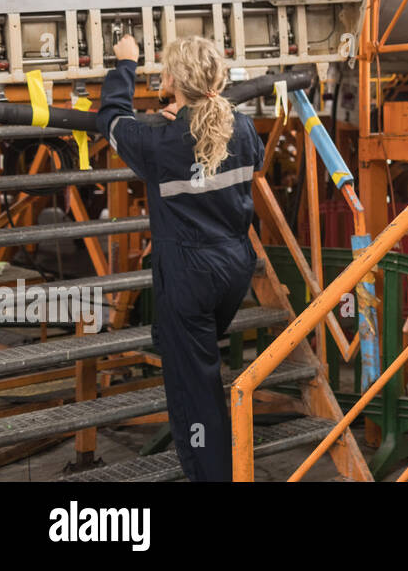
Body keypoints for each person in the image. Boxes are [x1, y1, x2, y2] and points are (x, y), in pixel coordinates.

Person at [97, 33, 265, 481]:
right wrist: (187, 118)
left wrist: (125, 64)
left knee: (195, 391)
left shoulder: (160, 143)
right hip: (234, 267)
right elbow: (226, 153)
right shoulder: (243, 128)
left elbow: (111, 118)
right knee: (198, 361)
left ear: (172, 79)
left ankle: (213, 475)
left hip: (189, 273)